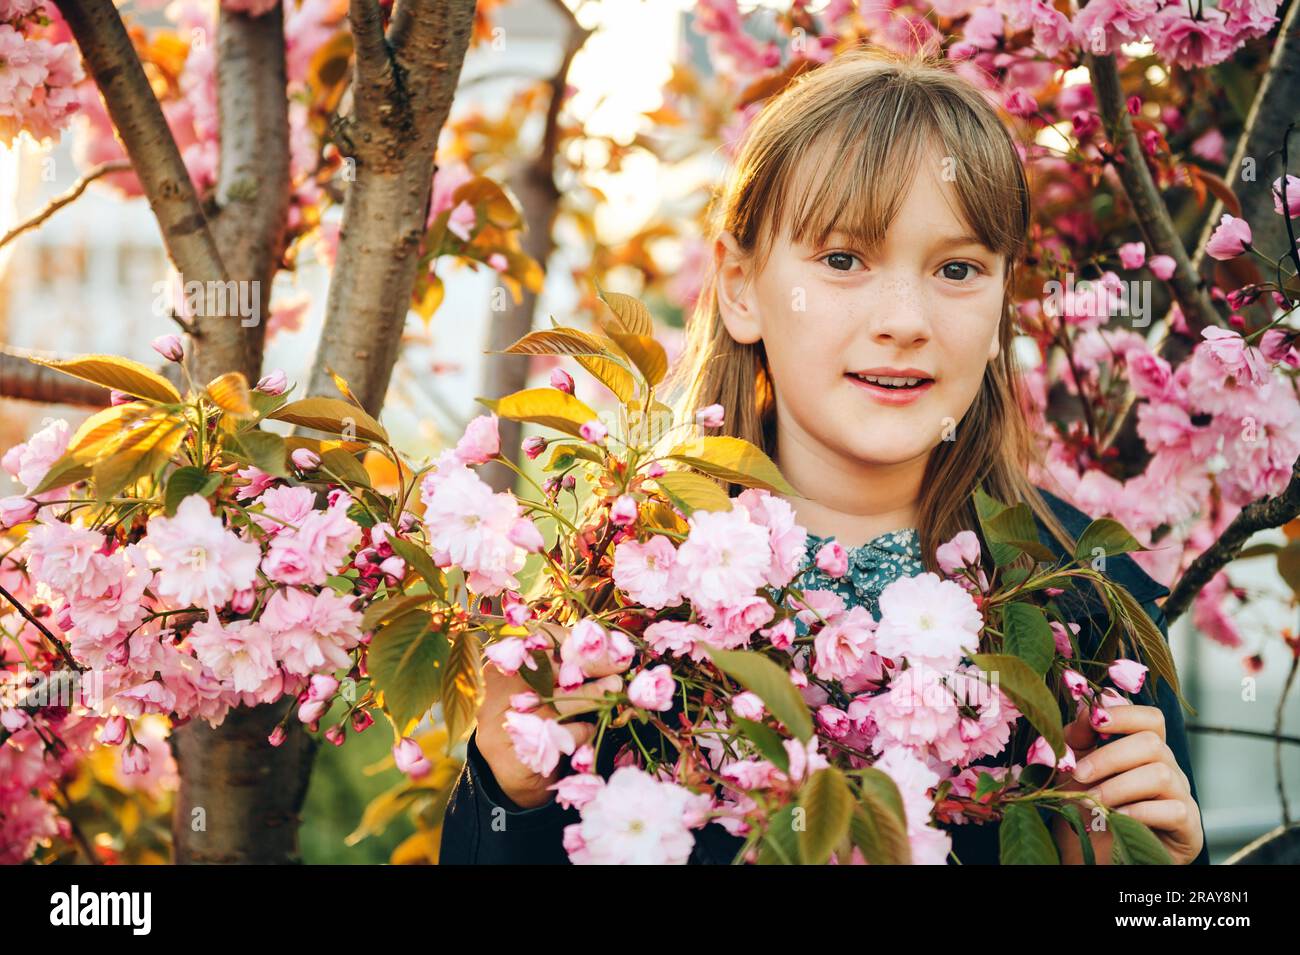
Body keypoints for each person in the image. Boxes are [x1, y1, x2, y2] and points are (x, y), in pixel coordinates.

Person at [439, 46, 1209, 865]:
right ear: (740, 287)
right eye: (843, 260)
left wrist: (1165, 873)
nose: (905, 319)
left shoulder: (1086, 604)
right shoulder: (626, 596)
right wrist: (509, 799)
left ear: (997, 307)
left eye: (957, 268)